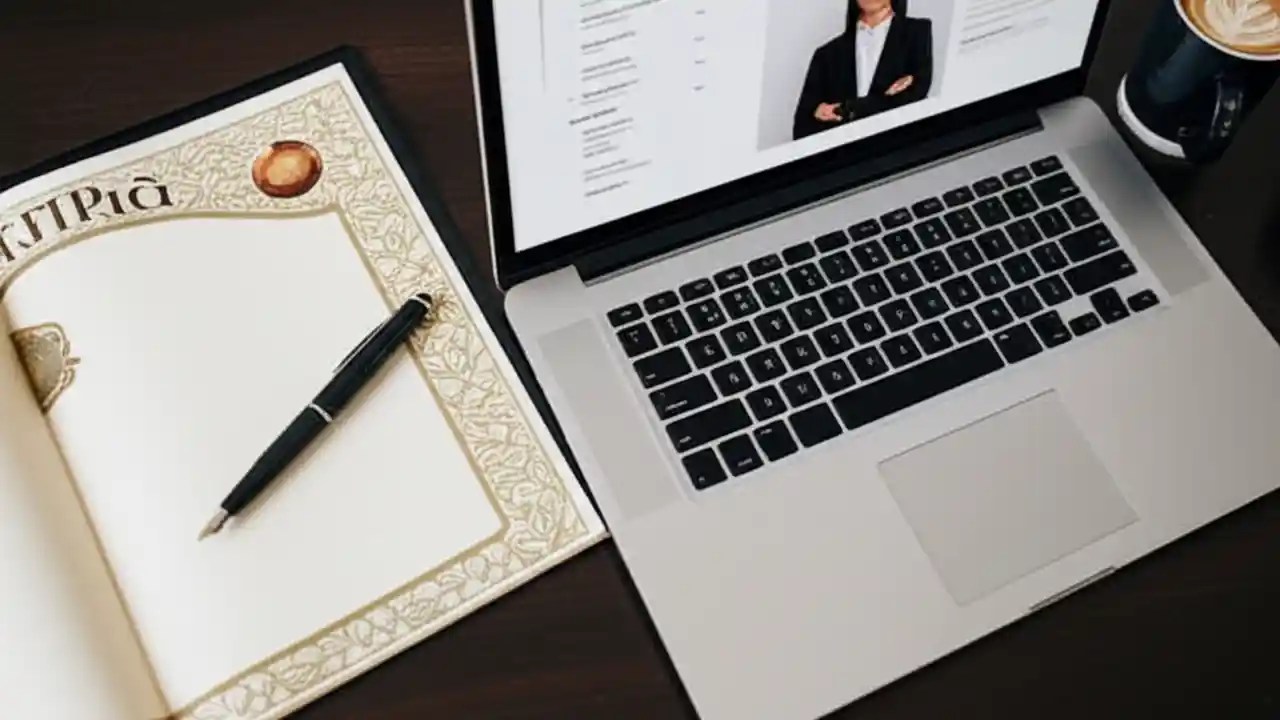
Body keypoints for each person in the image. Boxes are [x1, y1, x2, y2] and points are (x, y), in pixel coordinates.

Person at [793, 0, 934, 141]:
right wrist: (885, 101)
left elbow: (915, 98)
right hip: (847, 157)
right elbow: (802, 128)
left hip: (900, 149)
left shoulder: (917, 32)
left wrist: (848, 109)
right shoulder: (827, 54)